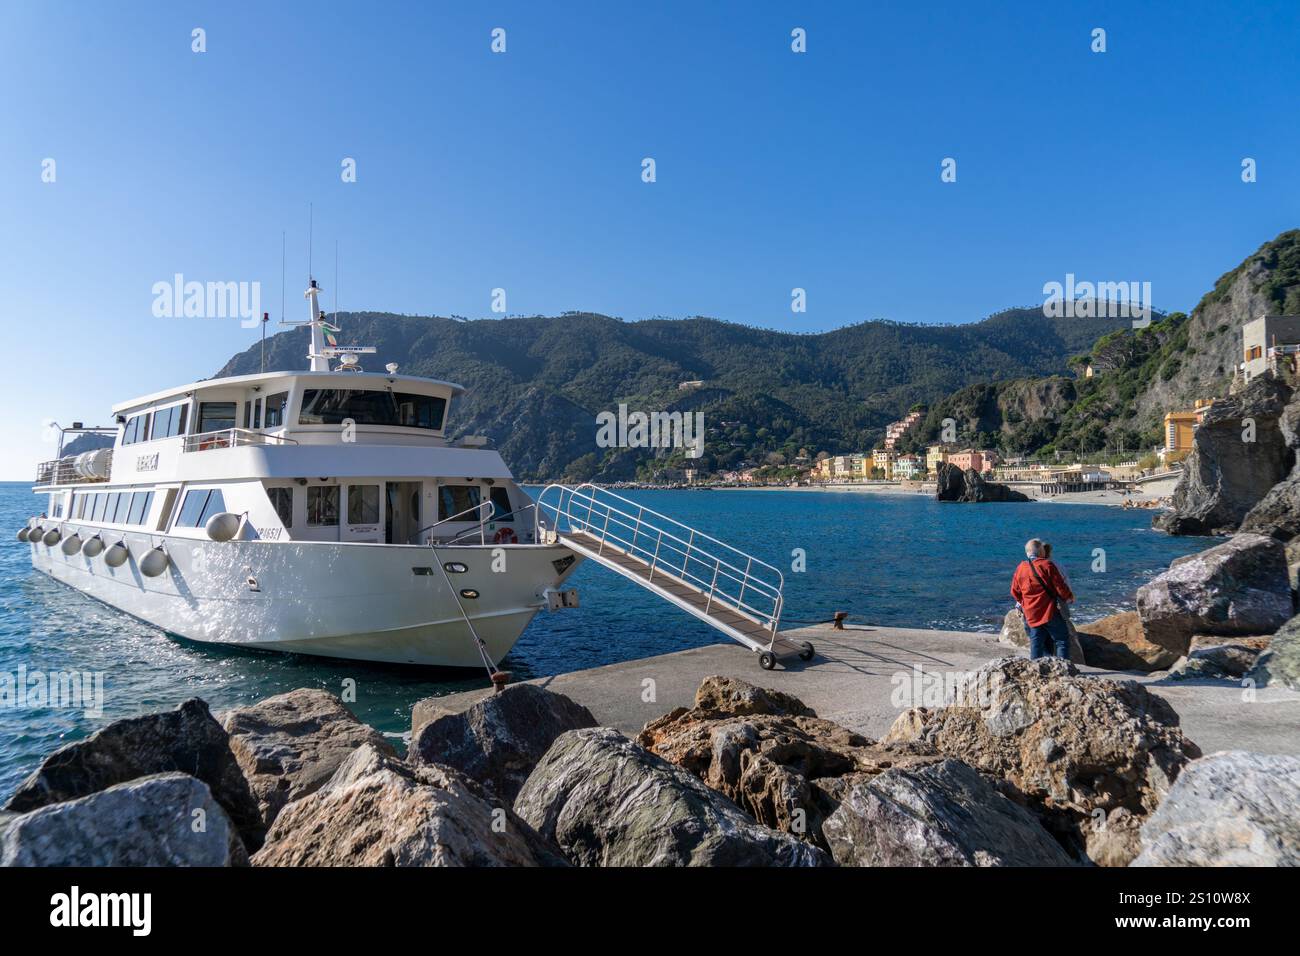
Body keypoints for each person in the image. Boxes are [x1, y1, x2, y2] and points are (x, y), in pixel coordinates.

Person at [1011, 538, 1075, 660]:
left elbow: (1014, 591)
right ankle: (1064, 669)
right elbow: (1060, 587)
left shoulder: (1021, 568)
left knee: (1036, 643)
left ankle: (1036, 669)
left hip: (1031, 612)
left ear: (1027, 552)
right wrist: (1069, 597)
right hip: (1049, 610)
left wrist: (1025, 602)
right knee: (1061, 640)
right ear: (1041, 552)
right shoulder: (1047, 565)